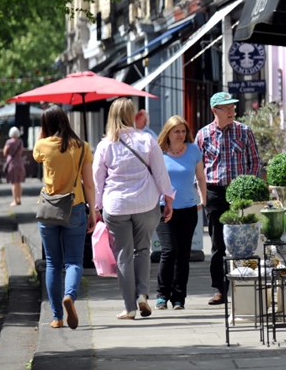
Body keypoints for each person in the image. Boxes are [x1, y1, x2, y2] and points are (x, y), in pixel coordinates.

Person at [94, 98, 175, 319]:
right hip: (146, 204)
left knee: (123, 254)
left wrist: (96, 207)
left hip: (116, 205)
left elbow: (97, 180)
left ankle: (129, 307)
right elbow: (160, 173)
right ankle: (142, 295)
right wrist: (168, 200)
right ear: (132, 115)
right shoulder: (146, 140)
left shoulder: (105, 145)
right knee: (143, 250)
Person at [33, 107, 96, 330]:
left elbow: (36, 155)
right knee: (73, 262)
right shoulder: (82, 147)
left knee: (52, 262)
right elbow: (89, 183)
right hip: (75, 208)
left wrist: (43, 134)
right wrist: (93, 211)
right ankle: (69, 296)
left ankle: (57, 317)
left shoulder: (42, 145)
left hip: (49, 210)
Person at [195, 92, 261, 305]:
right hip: (215, 192)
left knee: (245, 241)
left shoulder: (244, 131)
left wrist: (247, 187)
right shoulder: (203, 135)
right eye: (226, 107)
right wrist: (202, 194)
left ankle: (246, 283)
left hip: (240, 193)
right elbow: (197, 168)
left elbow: (255, 163)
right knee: (217, 244)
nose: (232, 110)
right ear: (215, 110)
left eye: (233, 106)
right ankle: (220, 289)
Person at [154, 115, 207, 310]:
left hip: (189, 210)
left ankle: (178, 298)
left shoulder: (193, 150)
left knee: (183, 255)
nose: (181, 135)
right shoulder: (159, 152)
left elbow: (201, 177)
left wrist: (203, 200)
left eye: (183, 131)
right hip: (163, 209)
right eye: (177, 131)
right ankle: (162, 295)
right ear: (168, 133)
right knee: (169, 251)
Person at [3, 127, 26, 207]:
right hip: (20, 163)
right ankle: (19, 199)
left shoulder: (9, 142)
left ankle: (15, 200)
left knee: (13, 183)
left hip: (12, 164)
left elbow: (5, 152)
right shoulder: (20, 142)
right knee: (19, 183)